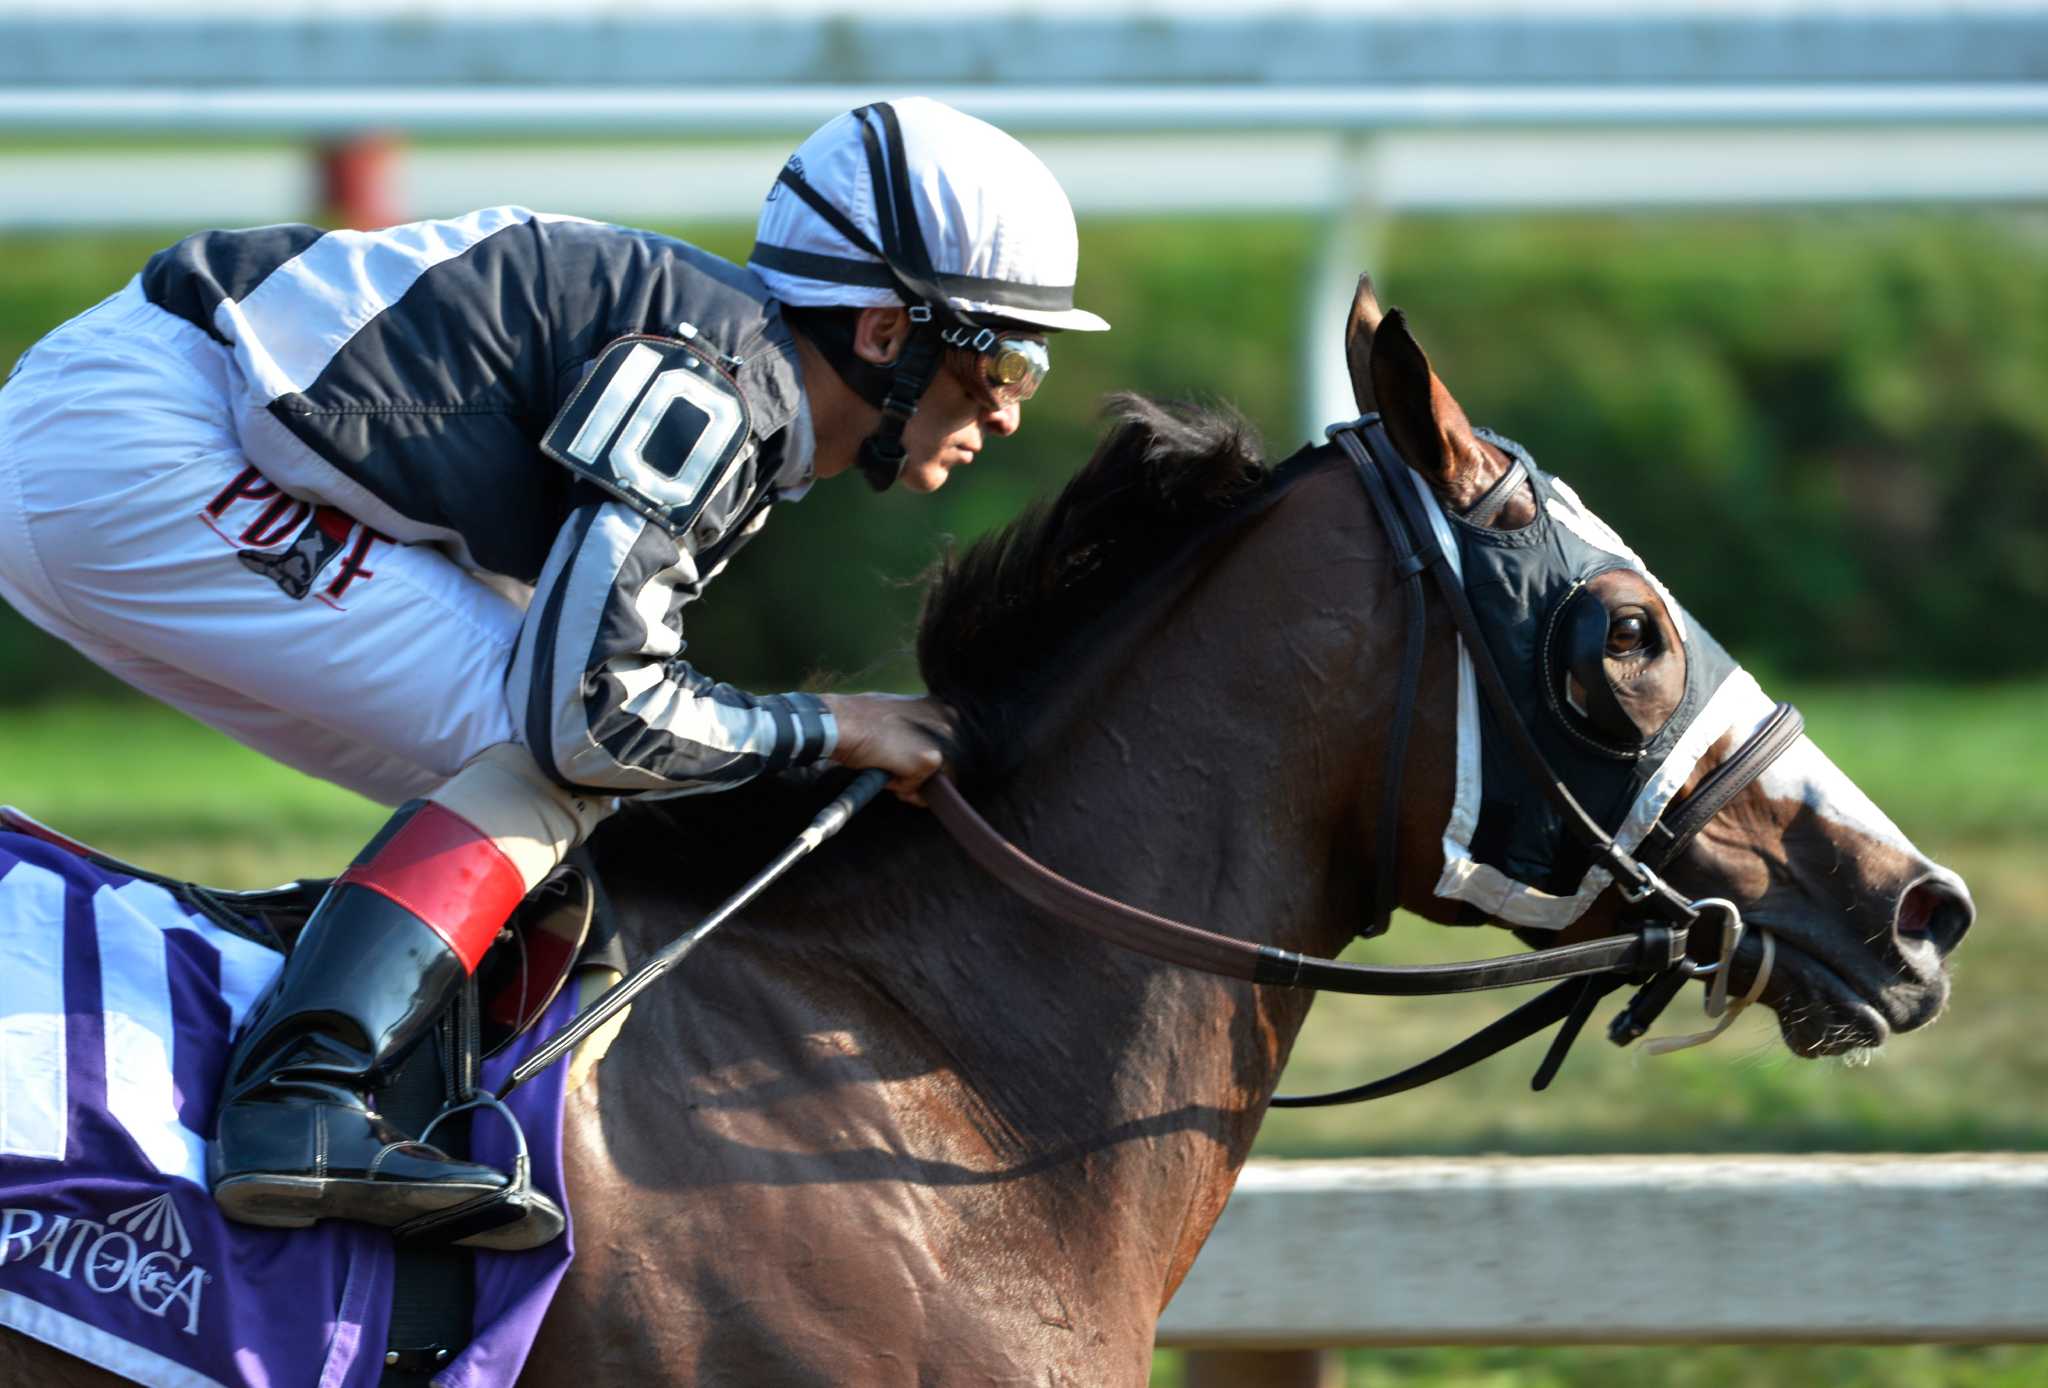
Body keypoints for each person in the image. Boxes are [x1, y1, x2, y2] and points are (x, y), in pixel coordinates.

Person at [0, 97, 1109, 1250]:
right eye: (1008, 355)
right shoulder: (715, 385)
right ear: (887, 332)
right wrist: (837, 724)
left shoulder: (734, 375)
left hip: (111, 437)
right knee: (554, 750)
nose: (1013, 406)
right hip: (137, 439)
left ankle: (350, 1067)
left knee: (533, 792)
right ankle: (298, 1099)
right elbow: (594, 716)